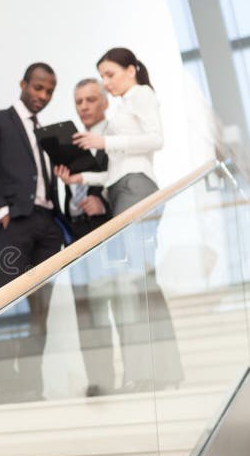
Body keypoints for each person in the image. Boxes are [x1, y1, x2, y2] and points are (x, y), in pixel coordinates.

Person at [55, 47, 183, 392]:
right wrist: (79, 181)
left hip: (137, 188)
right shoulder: (124, 108)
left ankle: (149, 374)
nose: (107, 82)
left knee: (135, 286)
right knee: (138, 287)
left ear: (131, 70)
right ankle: (153, 373)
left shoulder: (140, 94)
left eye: (110, 74)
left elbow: (157, 139)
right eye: (104, 76)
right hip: (122, 188)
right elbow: (113, 172)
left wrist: (105, 140)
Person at [0, 63, 64, 403]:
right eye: (38, 87)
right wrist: (2, 212)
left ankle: (33, 388)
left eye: (49, 91)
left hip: (49, 227)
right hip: (14, 225)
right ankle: (8, 389)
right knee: (9, 307)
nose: (43, 96)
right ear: (23, 84)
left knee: (40, 312)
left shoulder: (49, 133)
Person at [66, 78, 113, 397]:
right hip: (76, 233)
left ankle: (140, 375)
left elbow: (124, 178)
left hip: (110, 230)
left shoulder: (115, 138)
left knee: (115, 307)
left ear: (105, 102)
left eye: (91, 99)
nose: (84, 106)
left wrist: (104, 202)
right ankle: (99, 379)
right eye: (79, 101)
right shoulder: (70, 144)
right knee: (86, 312)